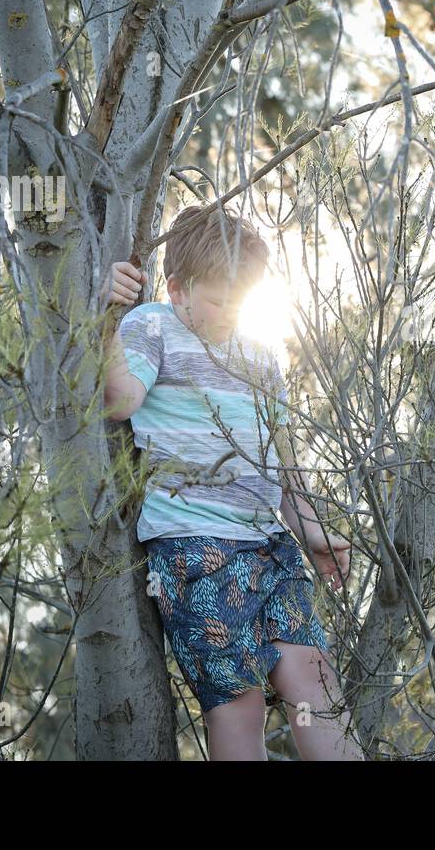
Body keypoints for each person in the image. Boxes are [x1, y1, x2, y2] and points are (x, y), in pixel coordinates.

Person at [100, 203, 362, 760]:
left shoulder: (260, 356)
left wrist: (312, 532)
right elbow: (119, 401)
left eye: (239, 302)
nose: (228, 314)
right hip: (195, 545)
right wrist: (106, 318)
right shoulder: (153, 325)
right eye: (217, 300)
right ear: (177, 288)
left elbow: (283, 460)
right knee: (238, 701)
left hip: (269, 545)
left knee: (315, 683)